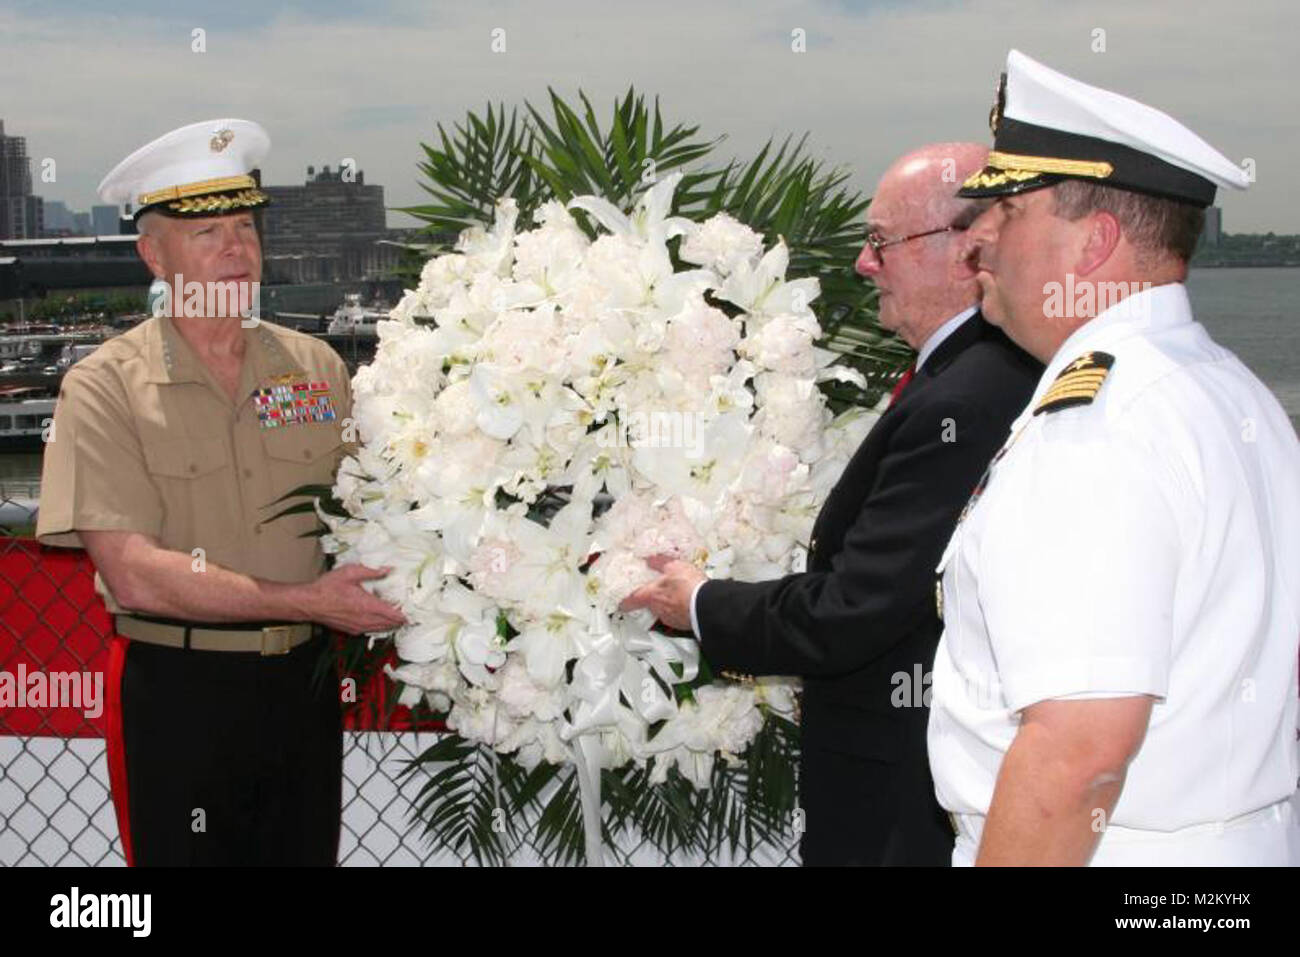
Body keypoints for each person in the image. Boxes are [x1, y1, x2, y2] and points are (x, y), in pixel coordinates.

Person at [621, 143, 1042, 865]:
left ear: (964, 250)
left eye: (881, 241)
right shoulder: (963, 373)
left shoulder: (969, 395)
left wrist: (700, 601)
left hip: (906, 800)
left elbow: (860, 608)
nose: (862, 263)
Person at [928, 50, 1300, 866]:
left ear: (1094, 243)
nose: (977, 237)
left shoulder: (1098, 427)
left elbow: (1076, 755)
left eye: (1009, 211)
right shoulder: (1230, 393)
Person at [35, 119, 406, 866]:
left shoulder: (315, 367)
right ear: (153, 253)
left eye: (245, 226)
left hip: (302, 689)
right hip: (180, 693)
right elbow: (133, 571)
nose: (238, 248)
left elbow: (376, 509)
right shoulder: (105, 387)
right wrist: (303, 600)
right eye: (207, 233)